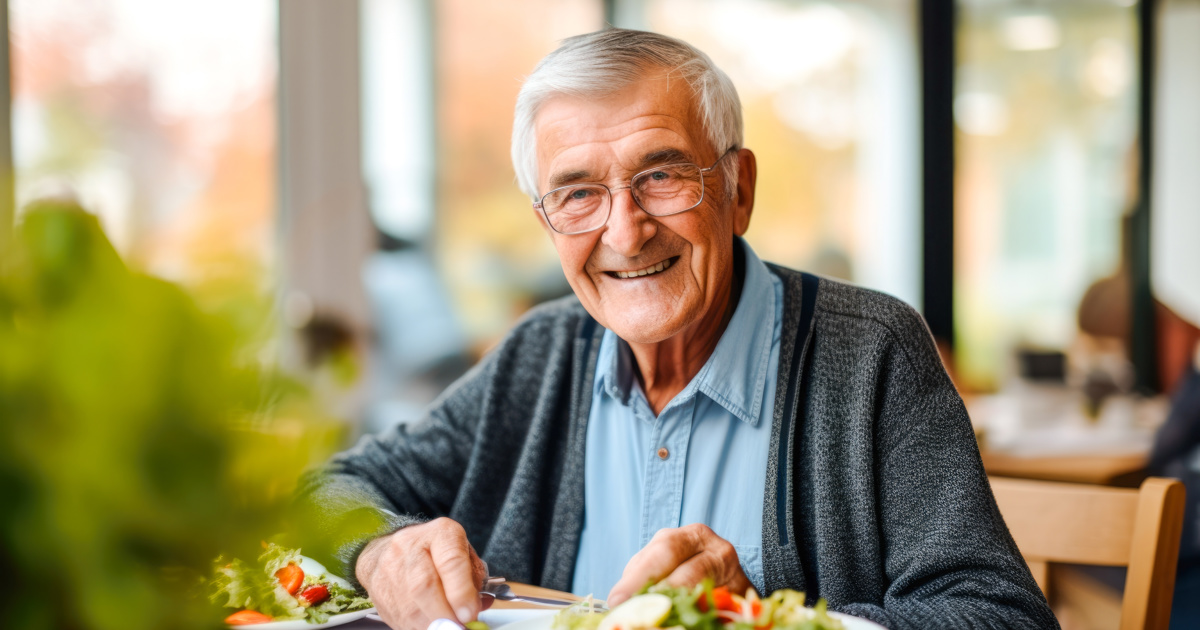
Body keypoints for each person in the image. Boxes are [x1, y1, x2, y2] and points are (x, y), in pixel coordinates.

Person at [296, 29, 1056, 630]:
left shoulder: (870, 353)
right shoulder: (543, 351)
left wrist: (762, 619)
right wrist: (381, 549)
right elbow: (327, 488)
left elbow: (1001, 618)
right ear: (546, 221)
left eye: (660, 175)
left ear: (738, 188)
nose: (625, 232)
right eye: (579, 193)